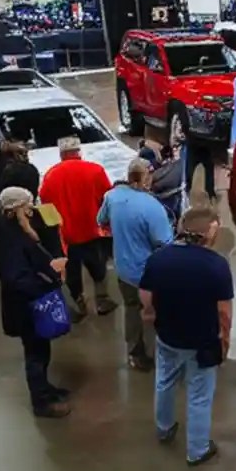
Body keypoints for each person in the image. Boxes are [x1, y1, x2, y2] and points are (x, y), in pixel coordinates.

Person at [138, 205, 232, 466]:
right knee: (199, 396)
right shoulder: (216, 265)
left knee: (164, 381)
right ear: (210, 231)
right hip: (202, 342)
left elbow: (146, 298)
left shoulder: (158, 258)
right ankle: (198, 449)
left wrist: (153, 318)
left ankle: (164, 428)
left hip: (167, 336)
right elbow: (224, 313)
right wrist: (224, 344)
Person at [0, 186, 72, 419]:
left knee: (41, 349)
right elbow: (17, 278)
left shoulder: (11, 225)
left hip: (27, 303)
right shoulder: (11, 239)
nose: (31, 209)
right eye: (27, 205)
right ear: (16, 209)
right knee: (35, 354)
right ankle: (41, 402)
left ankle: (45, 388)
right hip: (25, 307)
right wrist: (49, 282)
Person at [99, 157, 173, 372]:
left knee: (131, 309)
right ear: (145, 178)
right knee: (158, 311)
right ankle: (163, 352)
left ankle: (135, 353)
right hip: (149, 273)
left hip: (123, 270)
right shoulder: (152, 207)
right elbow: (165, 242)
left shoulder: (111, 197)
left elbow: (101, 220)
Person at [38, 136, 117, 317]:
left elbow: (45, 203)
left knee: (72, 271)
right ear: (78, 152)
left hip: (66, 235)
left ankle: (79, 302)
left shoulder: (51, 175)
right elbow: (107, 197)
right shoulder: (95, 170)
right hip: (93, 230)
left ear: (61, 154)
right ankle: (102, 300)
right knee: (98, 265)